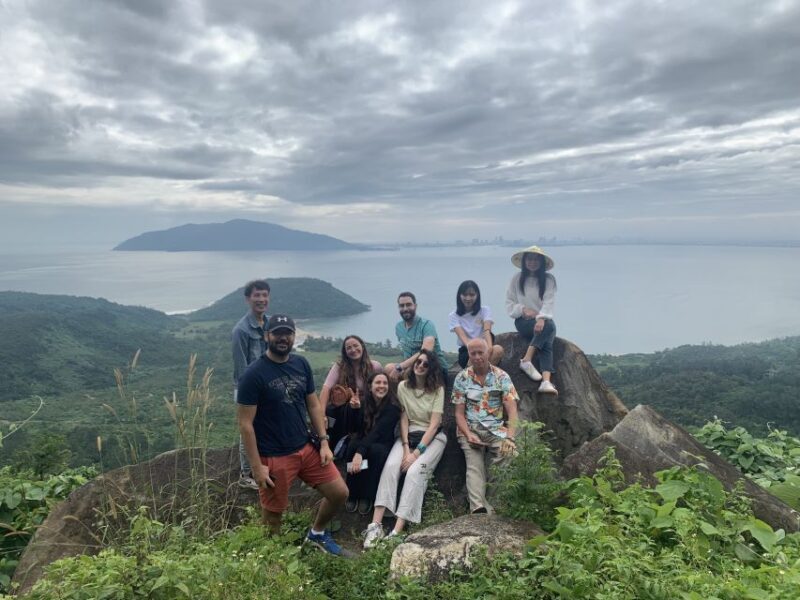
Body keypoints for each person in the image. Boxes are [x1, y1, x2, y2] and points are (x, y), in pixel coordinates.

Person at [237, 314, 349, 556]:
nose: (283, 338)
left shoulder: (301, 364)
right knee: (273, 517)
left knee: (339, 493)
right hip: (274, 456)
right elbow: (245, 424)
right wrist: (256, 467)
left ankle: (316, 534)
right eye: (277, 333)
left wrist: (324, 442)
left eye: (287, 333)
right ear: (267, 336)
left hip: (305, 448)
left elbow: (313, 405)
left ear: (294, 336)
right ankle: (273, 564)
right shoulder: (254, 374)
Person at [363, 349, 447, 548]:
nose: (420, 366)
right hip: (407, 436)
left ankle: (396, 531)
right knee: (391, 466)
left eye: (426, 364)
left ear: (431, 368)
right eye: (418, 362)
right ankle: (375, 525)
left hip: (432, 437)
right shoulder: (402, 387)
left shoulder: (438, 390)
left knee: (414, 472)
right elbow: (403, 418)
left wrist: (416, 454)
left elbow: (435, 425)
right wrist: (406, 448)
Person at [452, 338, 519, 514]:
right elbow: (458, 413)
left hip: (496, 429)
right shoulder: (462, 378)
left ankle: (494, 504)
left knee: (510, 454)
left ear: (487, 353)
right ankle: (478, 509)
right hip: (470, 428)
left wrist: (511, 438)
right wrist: (468, 434)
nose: (477, 357)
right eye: (472, 353)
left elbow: (512, 412)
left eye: (480, 352)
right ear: (469, 355)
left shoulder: (502, 377)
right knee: (474, 465)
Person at [344, 372, 401, 516]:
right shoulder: (363, 402)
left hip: (381, 443)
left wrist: (360, 453)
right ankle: (352, 490)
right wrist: (355, 411)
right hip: (364, 439)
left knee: (374, 453)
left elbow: (378, 432)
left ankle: (367, 494)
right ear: (370, 387)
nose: (381, 386)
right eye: (378, 383)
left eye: (385, 383)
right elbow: (354, 429)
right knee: (352, 446)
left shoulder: (393, 408)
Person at [231, 279, 270, 489]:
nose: (261, 299)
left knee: (264, 427)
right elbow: (241, 370)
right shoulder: (241, 330)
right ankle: (246, 474)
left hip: (267, 388)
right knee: (248, 429)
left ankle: (264, 465)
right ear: (248, 299)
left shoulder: (270, 323)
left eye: (265, 295)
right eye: (257, 295)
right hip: (248, 390)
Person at [505, 245, 559, 395]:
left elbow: (549, 302)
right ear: (524, 261)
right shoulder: (516, 279)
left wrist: (541, 318)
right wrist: (523, 309)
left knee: (547, 333)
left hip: (542, 322)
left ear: (542, 262)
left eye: (536, 259)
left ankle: (544, 379)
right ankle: (535, 369)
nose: (532, 262)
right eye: (529, 259)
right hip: (523, 322)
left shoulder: (549, 280)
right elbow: (509, 303)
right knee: (549, 328)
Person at [319, 335, 382, 452]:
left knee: (355, 408)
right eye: (349, 348)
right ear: (345, 352)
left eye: (355, 346)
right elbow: (326, 388)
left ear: (362, 346)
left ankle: (349, 442)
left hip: (367, 406)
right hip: (345, 407)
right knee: (330, 411)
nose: (353, 350)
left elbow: (382, 388)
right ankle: (332, 441)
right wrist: (321, 416)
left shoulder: (375, 366)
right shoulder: (339, 367)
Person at [385, 291, 448, 381]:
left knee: (407, 373)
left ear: (415, 306)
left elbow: (426, 351)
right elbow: (406, 352)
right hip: (412, 367)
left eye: (408, 305)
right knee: (388, 368)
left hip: (433, 367)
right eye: (402, 306)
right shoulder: (399, 327)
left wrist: (400, 367)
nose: (405, 308)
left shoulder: (427, 325)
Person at [449, 280, 505, 369]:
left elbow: (487, 330)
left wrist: (489, 348)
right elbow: (463, 338)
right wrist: (476, 352)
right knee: (474, 357)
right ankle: (476, 378)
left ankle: (483, 378)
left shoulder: (485, 310)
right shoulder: (454, 315)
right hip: (467, 350)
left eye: (471, 295)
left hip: (485, 347)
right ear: (459, 296)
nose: (468, 298)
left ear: (477, 295)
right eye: (465, 295)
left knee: (498, 349)